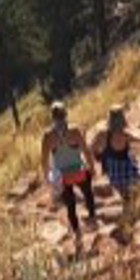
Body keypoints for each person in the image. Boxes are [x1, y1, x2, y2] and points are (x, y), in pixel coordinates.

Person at [41, 101, 98, 252]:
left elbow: (44, 160)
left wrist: (47, 178)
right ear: (66, 114)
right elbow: (85, 151)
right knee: (88, 193)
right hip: (78, 171)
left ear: (52, 117)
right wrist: (92, 167)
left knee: (70, 205)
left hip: (63, 176)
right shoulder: (74, 131)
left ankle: (78, 234)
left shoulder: (48, 136)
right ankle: (92, 218)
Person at [91, 104, 140, 208]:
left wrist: (98, 156)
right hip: (128, 171)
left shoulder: (103, 134)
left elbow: (92, 147)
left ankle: (127, 213)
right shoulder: (125, 134)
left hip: (113, 173)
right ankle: (132, 213)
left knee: (125, 197)